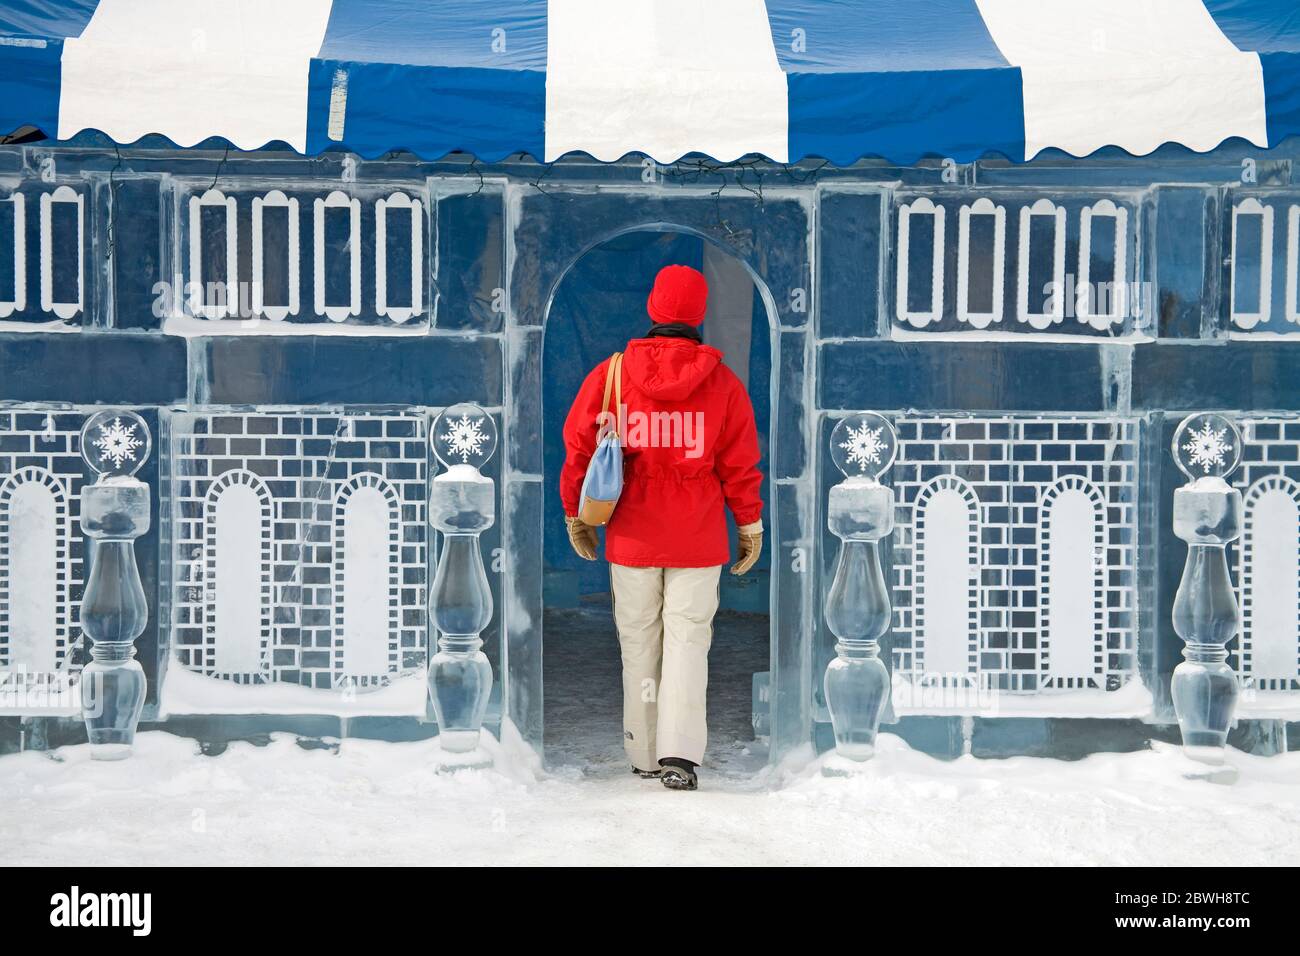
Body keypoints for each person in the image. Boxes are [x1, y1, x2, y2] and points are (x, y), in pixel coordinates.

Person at [559, 264, 764, 791]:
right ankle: (680, 753)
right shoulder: (723, 383)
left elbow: (580, 448)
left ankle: (644, 749)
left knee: (639, 641)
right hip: (698, 536)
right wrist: (749, 524)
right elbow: (740, 463)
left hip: (632, 534)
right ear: (700, 314)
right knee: (689, 641)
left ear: (653, 309)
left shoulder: (612, 375)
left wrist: (575, 514)